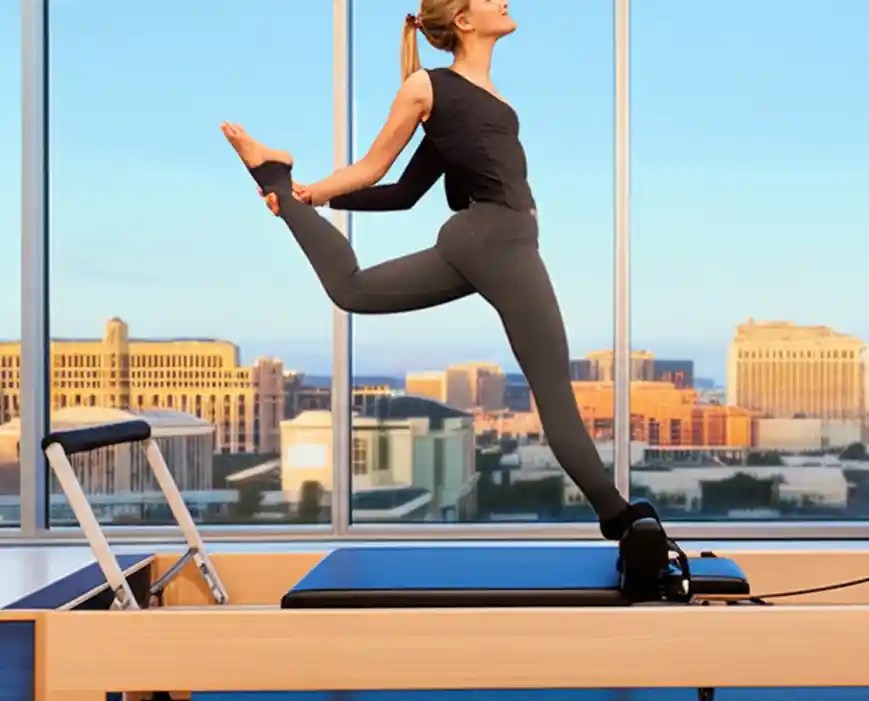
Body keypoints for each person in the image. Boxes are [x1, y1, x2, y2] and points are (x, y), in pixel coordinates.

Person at [218, 0, 665, 549]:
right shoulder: (425, 87)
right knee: (553, 392)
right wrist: (319, 192)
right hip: (498, 243)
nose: (503, 0)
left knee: (351, 290)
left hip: (490, 241)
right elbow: (371, 166)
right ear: (464, 21)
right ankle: (621, 520)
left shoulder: (482, 95)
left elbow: (405, 194)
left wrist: (311, 200)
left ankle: (275, 179)